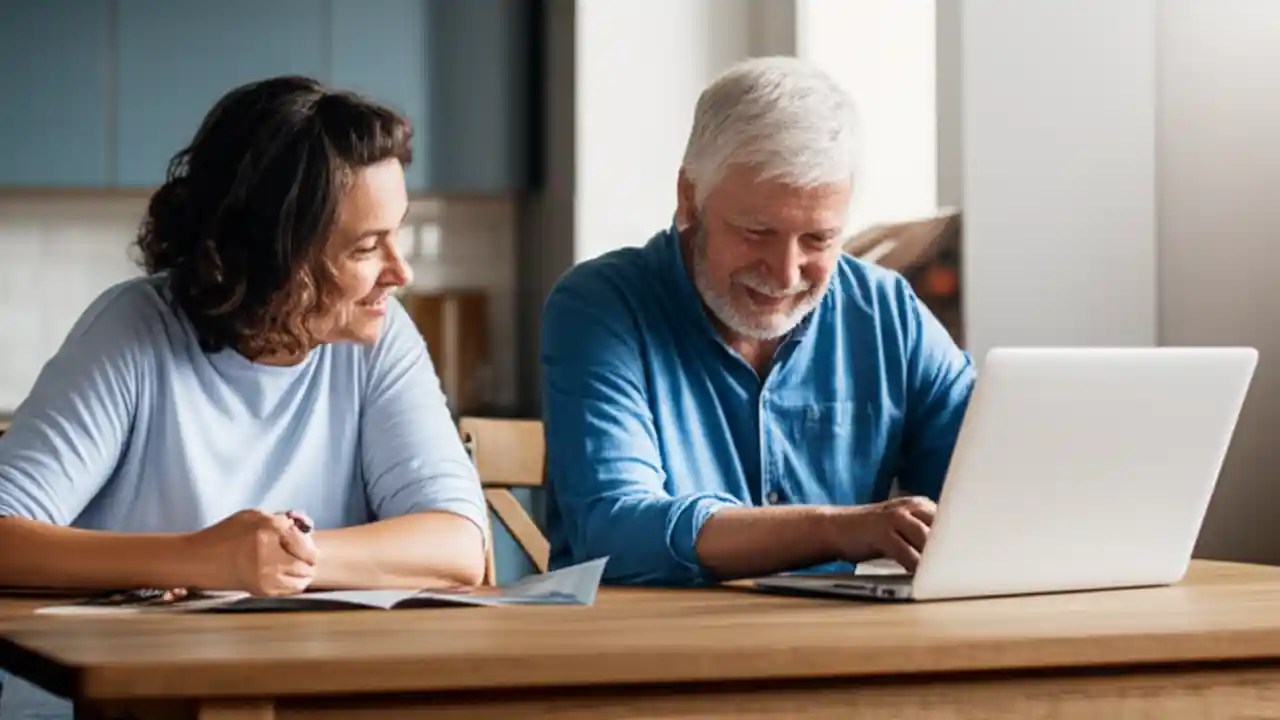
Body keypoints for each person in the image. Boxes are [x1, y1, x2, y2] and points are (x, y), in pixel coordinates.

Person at [0, 76, 486, 719]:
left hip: (294, 696)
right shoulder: (135, 331)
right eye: (368, 247)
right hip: (108, 704)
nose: (402, 272)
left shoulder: (380, 337)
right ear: (275, 254)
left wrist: (280, 561)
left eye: (397, 234)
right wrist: (201, 558)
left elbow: (458, 548)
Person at [541, 57, 976, 586]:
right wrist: (836, 529)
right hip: (639, 654)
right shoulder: (599, 308)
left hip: (835, 654)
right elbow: (616, 534)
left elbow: (983, 491)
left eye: (818, 239)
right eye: (755, 232)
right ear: (689, 199)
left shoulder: (887, 313)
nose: (787, 272)